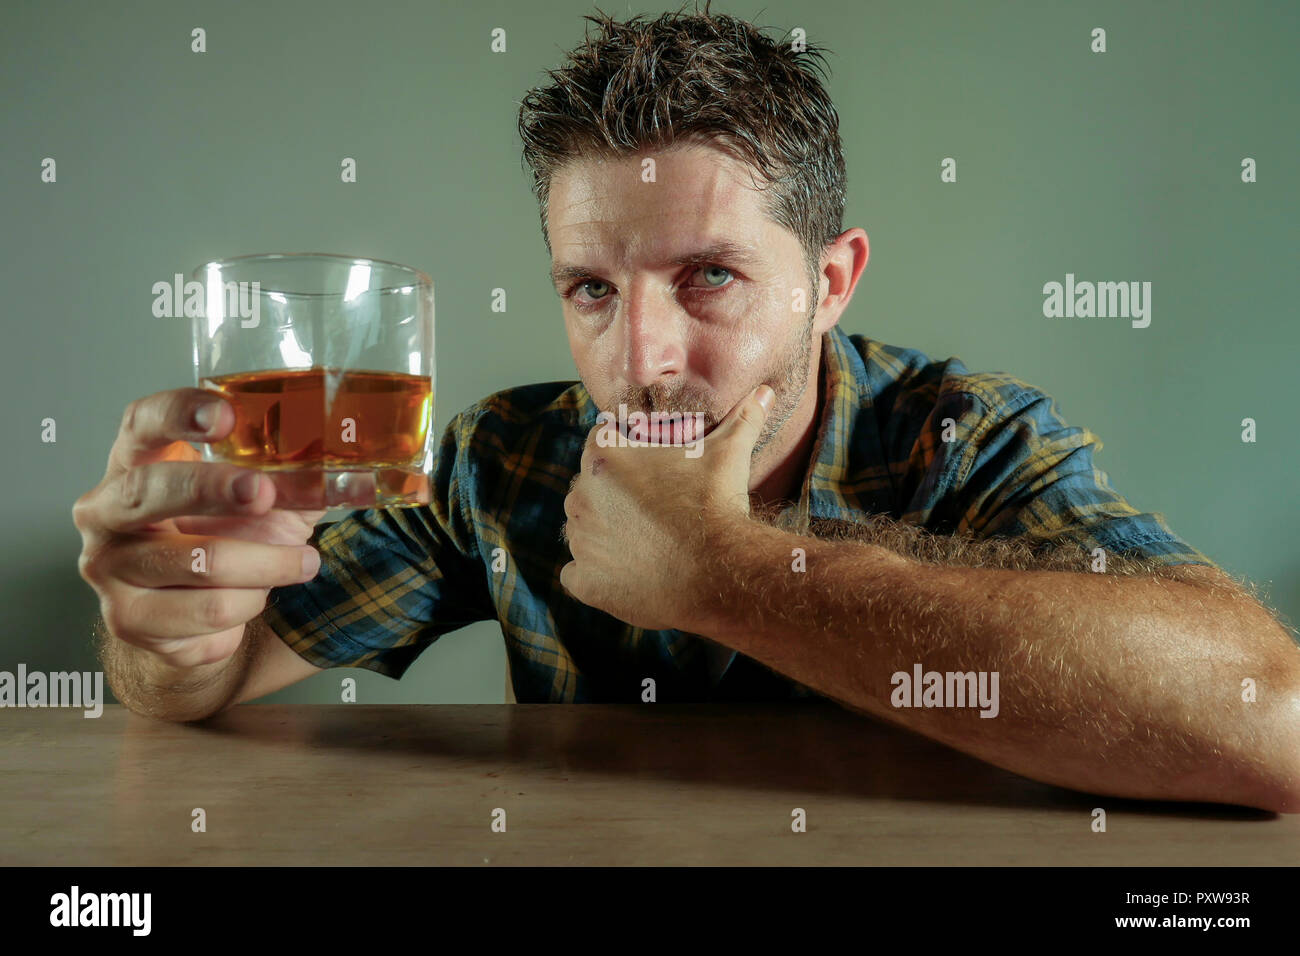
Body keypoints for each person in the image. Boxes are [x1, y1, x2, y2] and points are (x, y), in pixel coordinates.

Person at [74, 6, 1299, 811]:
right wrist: (162, 628)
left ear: (830, 281)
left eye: (707, 276)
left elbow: (1270, 721)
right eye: (593, 289)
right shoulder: (502, 459)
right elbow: (203, 675)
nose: (642, 358)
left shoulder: (961, 441)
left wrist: (725, 570)